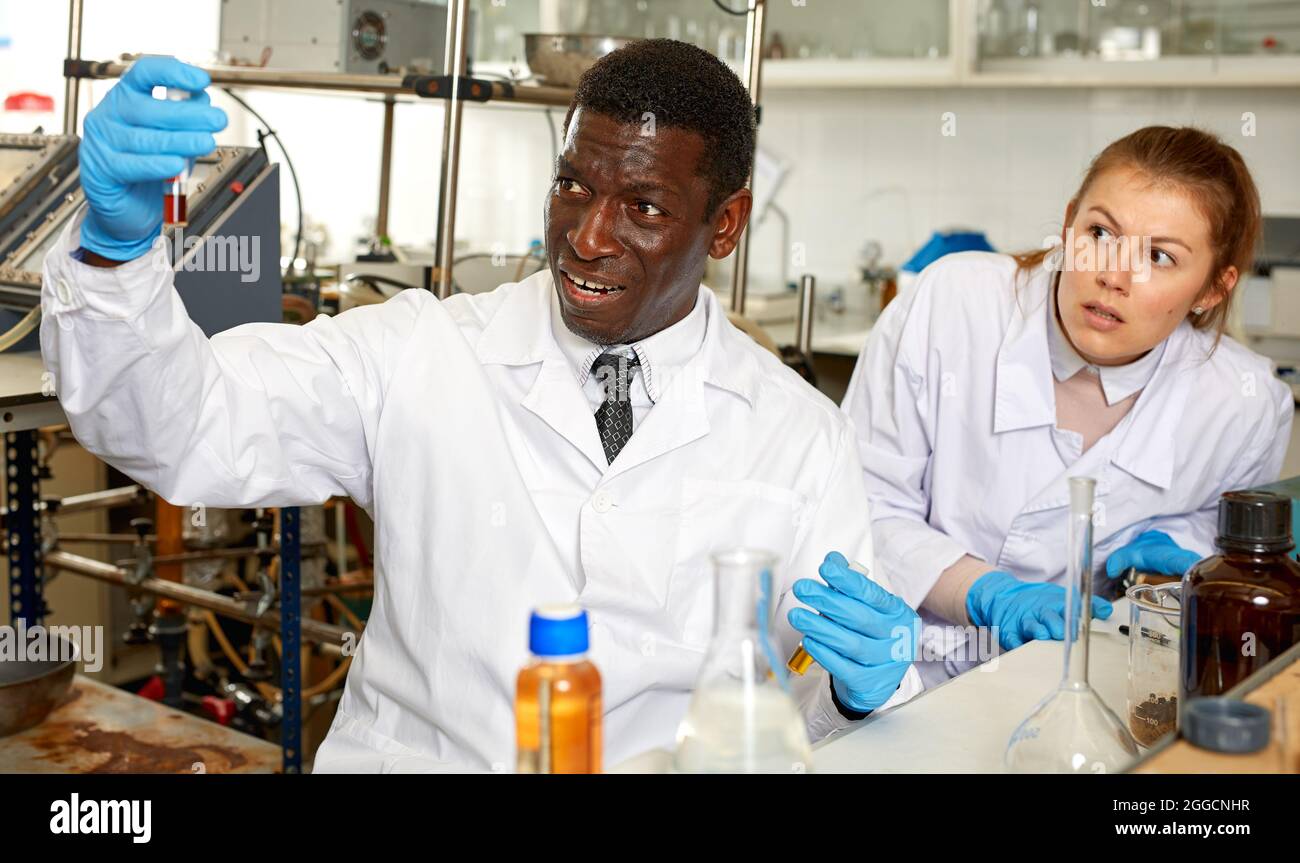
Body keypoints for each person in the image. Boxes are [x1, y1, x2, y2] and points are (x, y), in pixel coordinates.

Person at [41, 43, 921, 772]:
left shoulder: (798, 434)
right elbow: (178, 426)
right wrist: (115, 252)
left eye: (642, 207)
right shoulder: (418, 352)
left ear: (724, 226)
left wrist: (856, 689)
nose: (587, 236)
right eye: (574, 185)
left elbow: (804, 713)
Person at [842, 126, 1293, 686]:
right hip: (899, 672)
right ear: (1068, 223)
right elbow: (865, 503)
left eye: (1158, 255)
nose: (1112, 275)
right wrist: (984, 593)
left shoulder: (1241, 405)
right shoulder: (952, 305)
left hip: (1093, 677)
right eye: (1101, 233)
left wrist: (1176, 550)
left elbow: (1210, 528)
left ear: (1211, 290)